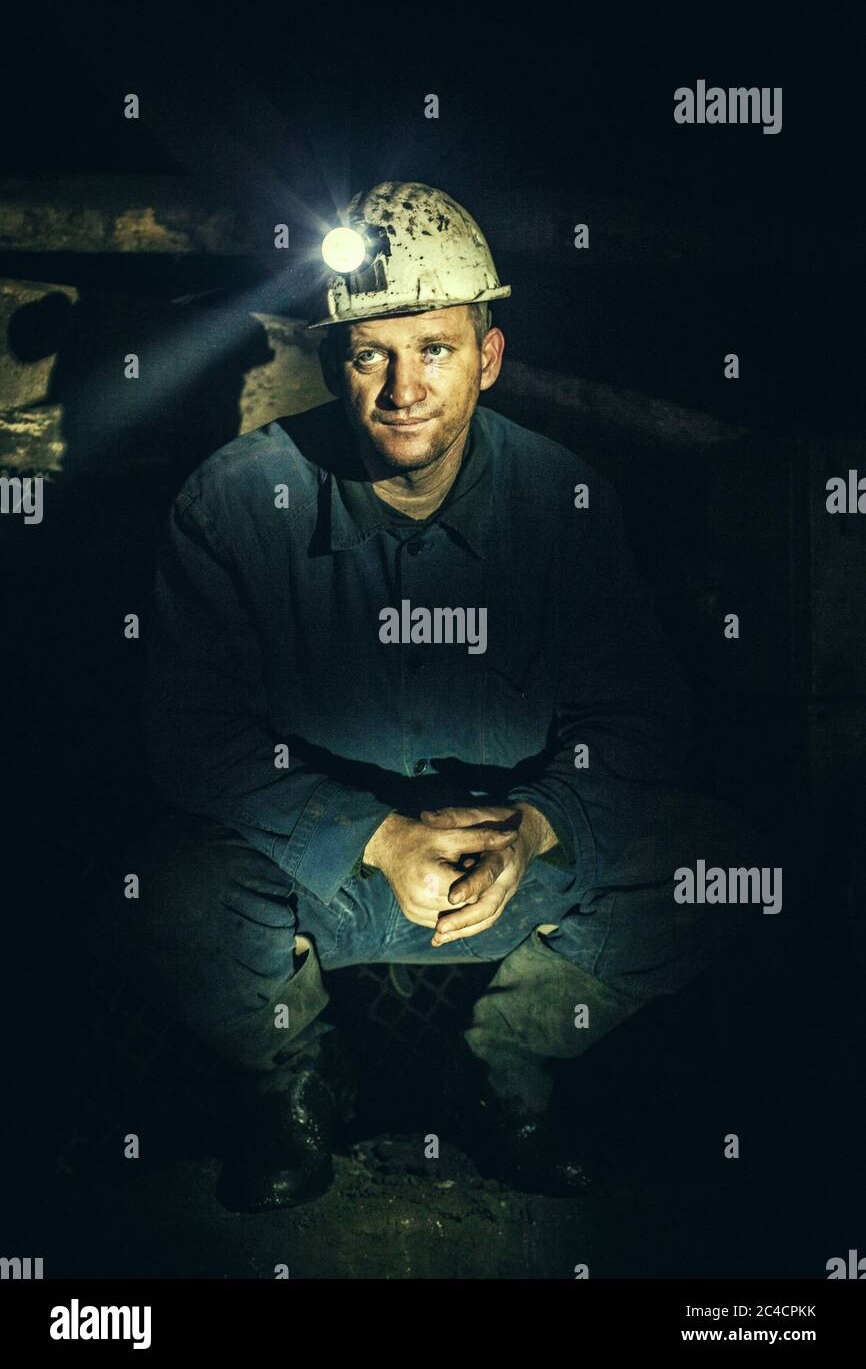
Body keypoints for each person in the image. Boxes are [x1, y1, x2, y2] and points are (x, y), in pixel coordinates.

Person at [109, 181, 768, 1211]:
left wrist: (539, 829)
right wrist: (370, 837)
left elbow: (643, 717)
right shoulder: (237, 502)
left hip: (507, 862)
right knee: (155, 889)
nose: (402, 387)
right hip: (316, 875)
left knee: (726, 864)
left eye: (435, 350)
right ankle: (298, 1079)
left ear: (488, 359)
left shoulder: (559, 499)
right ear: (333, 364)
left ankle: (500, 1065)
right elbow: (190, 739)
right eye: (371, 353)